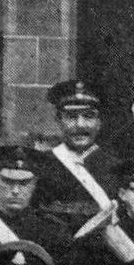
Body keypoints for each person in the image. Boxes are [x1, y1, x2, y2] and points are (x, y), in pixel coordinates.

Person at [34, 79, 123, 228]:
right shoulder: (42, 165)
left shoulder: (115, 167)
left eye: (88, 116)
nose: (80, 125)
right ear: (59, 120)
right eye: (71, 117)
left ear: (99, 122)